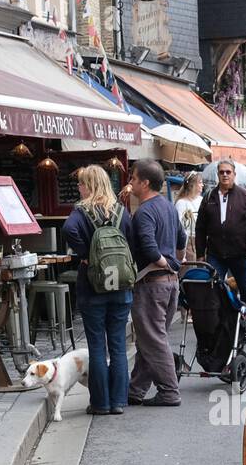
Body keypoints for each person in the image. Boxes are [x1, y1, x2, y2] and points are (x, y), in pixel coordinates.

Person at [64, 164, 133, 415]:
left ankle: (100, 403)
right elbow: (132, 241)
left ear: (89, 186)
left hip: (93, 288)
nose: (79, 188)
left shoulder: (81, 212)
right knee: (117, 346)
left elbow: (68, 230)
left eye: (81, 184)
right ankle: (118, 402)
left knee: (96, 346)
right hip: (120, 288)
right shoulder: (121, 212)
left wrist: (86, 255)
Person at [125, 159, 185, 407]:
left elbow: (150, 249)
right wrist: (175, 265)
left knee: (153, 339)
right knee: (150, 339)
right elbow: (181, 240)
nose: (130, 182)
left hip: (153, 283)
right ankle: (135, 390)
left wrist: (163, 263)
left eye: (133, 178)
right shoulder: (168, 207)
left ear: (145, 183)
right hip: (170, 284)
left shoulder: (145, 212)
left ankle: (169, 391)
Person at [196, 160, 246, 335]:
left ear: (234, 175)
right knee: (213, 288)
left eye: (228, 172)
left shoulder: (245, 197)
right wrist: (200, 254)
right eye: (222, 172)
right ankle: (218, 323)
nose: (225, 175)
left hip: (240, 253)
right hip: (215, 253)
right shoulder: (208, 197)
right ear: (218, 174)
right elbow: (200, 227)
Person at [174, 172, 204, 263]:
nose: (202, 185)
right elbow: (181, 229)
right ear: (192, 185)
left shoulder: (201, 200)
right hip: (189, 243)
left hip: (202, 242)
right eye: (200, 182)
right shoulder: (182, 203)